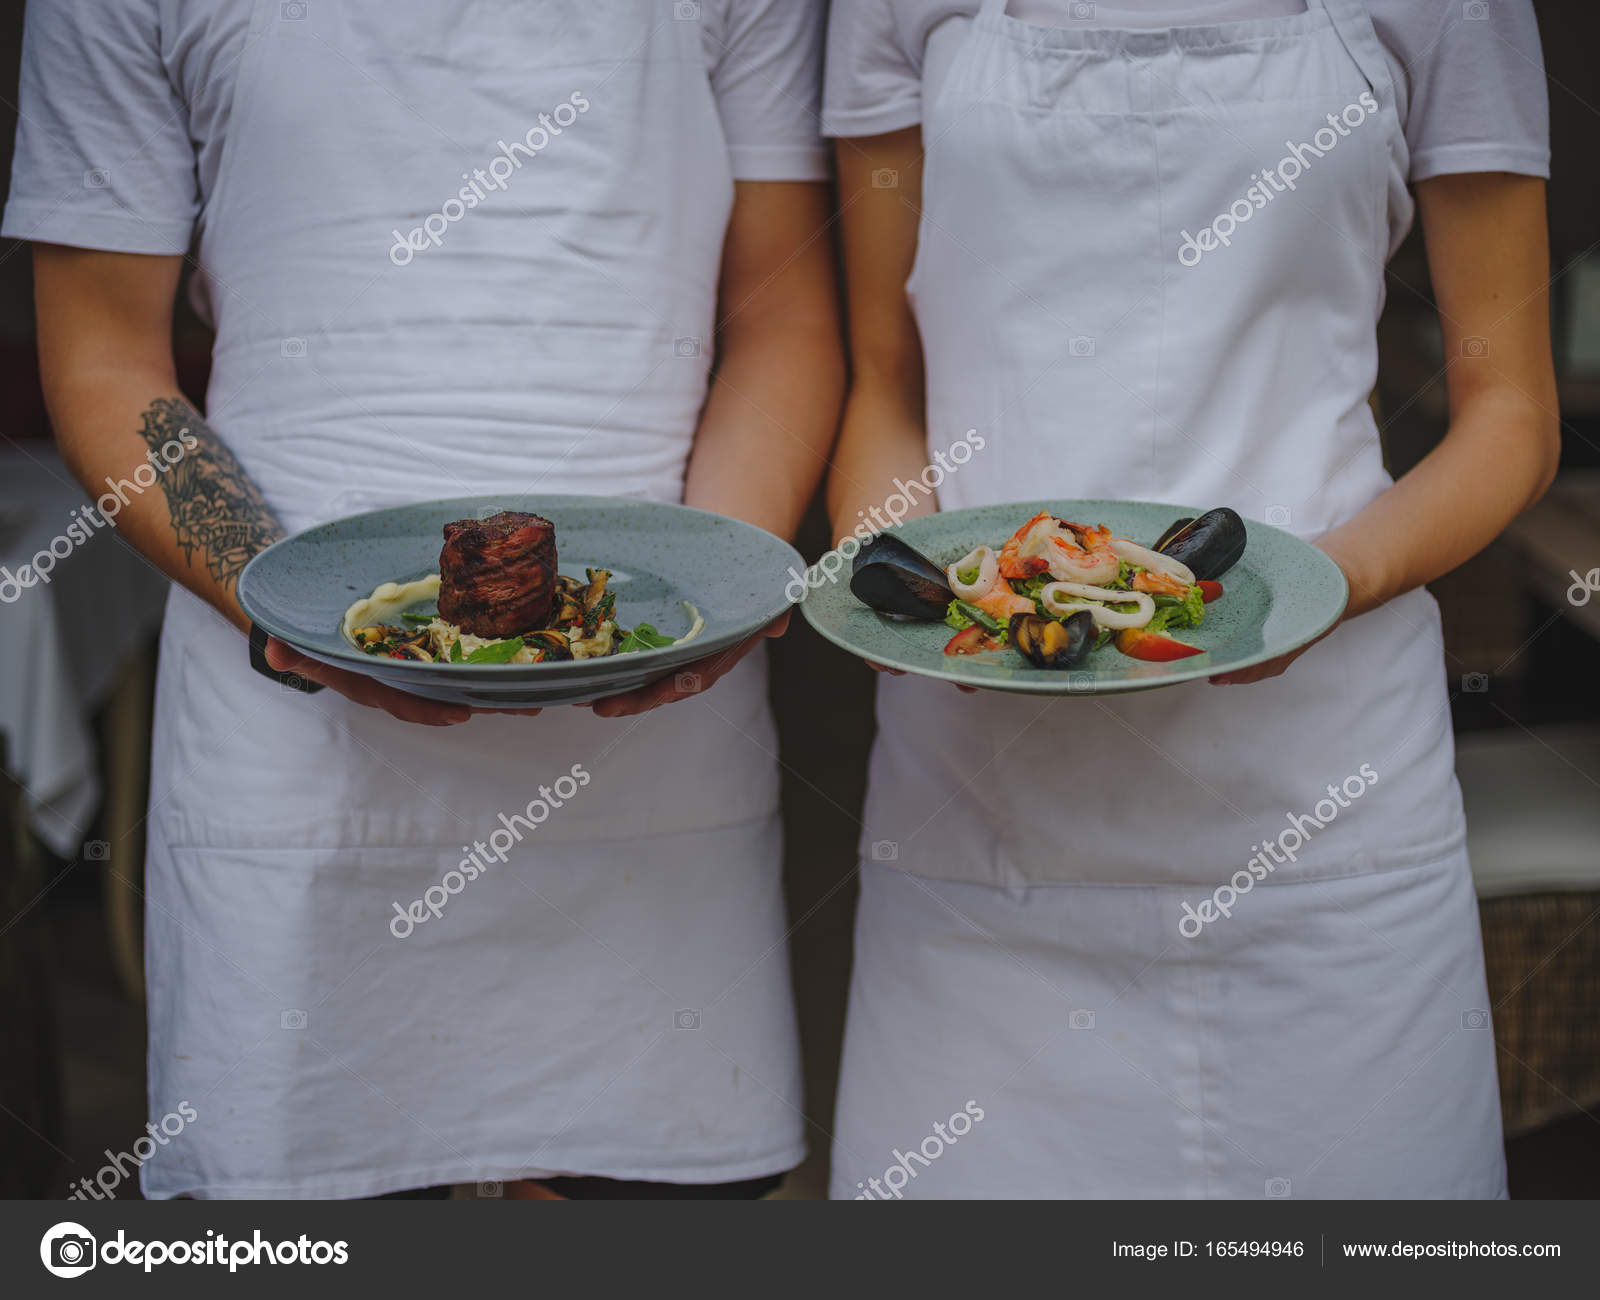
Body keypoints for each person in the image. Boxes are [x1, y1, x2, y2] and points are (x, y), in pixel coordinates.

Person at [6, 0, 841, 1199]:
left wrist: (716, 585)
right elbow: (100, 350)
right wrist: (276, 605)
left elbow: (782, 318)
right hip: (292, 741)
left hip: (654, 744)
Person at [822, 0, 1556, 1197]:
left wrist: (1331, 580)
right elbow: (883, 383)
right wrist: (890, 586)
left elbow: (1512, 415)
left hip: (1324, 803)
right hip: (977, 805)